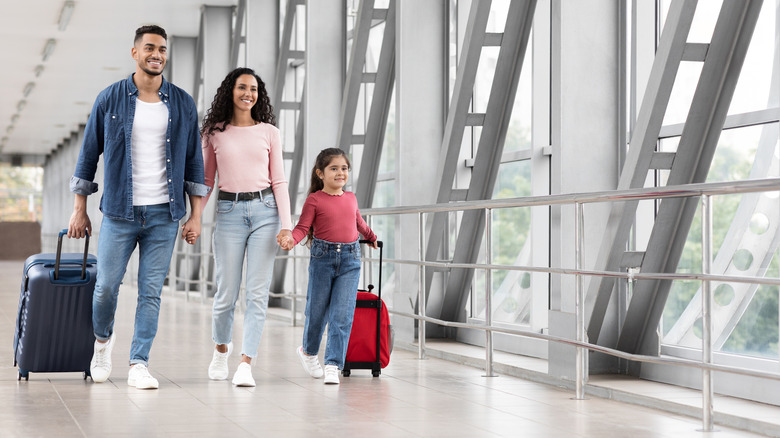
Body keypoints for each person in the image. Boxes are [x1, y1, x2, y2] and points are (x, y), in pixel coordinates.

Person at [68, 25, 208, 390]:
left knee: (150, 292)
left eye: (162, 49)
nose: (156, 54)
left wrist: (195, 215)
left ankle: (138, 362)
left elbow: (195, 162)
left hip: (164, 213)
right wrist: (79, 208)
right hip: (118, 212)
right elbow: (87, 156)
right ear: (135, 53)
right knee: (106, 288)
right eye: (149, 48)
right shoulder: (110, 99)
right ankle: (102, 342)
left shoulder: (181, 103)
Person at [197, 67, 293, 387]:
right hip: (228, 211)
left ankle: (246, 364)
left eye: (253, 89)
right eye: (242, 87)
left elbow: (278, 180)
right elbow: (207, 181)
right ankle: (221, 349)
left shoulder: (269, 132)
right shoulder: (214, 132)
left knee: (256, 294)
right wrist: (195, 215)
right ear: (231, 91)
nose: (248, 93)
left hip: (266, 213)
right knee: (226, 293)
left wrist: (287, 225)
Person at [279, 148, 378, 385]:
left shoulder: (351, 198)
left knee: (342, 314)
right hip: (322, 260)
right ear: (320, 173)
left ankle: (333, 364)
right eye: (334, 168)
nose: (340, 172)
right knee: (317, 311)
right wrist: (291, 238)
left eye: (344, 168)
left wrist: (372, 236)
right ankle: (308, 352)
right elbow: (303, 227)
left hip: (350, 260)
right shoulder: (314, 199)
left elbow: (359, 222)